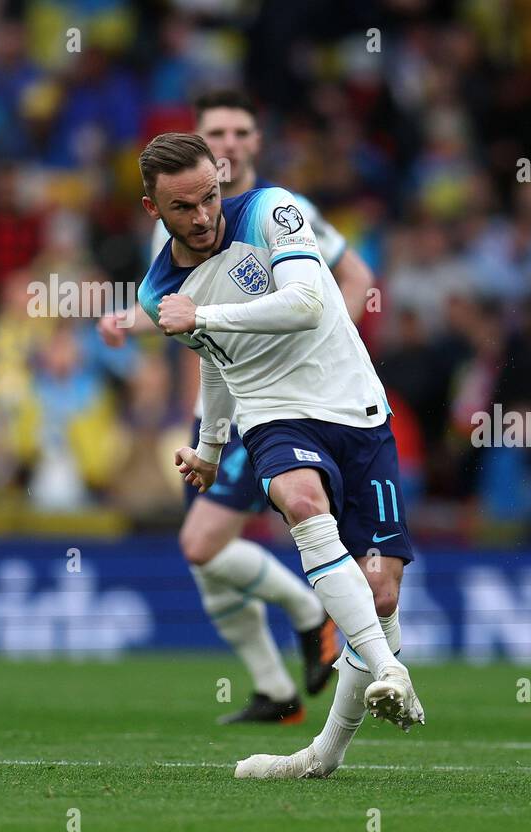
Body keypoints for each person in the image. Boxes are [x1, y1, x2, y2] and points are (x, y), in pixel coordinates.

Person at [135, 133, 423, 780]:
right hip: (272, 411)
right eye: (183, 208)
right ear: (153, 210)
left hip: (354, 405)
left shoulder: (273, 210)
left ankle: (322, 757)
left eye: (210, 197)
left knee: (380, 593)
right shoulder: (159, 294)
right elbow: (216, 364)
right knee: (299, 499)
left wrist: (202, 313)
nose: (203, 216)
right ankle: (389, 669)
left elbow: (306, 304)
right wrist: (211, 449)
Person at [100, 90, 374, 723]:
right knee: (201, 550)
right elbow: (181, 312)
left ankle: (309, 626)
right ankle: (277, 686)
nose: (228, 142)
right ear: (198, 143)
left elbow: (354, 278)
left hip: (289, 400)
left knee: (204, 542)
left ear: (253, 144)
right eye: (215, 131)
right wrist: (133, 323)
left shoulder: (284, 211)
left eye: (241, 131)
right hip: (222, 392)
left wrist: (325, 360)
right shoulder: (167, 223)